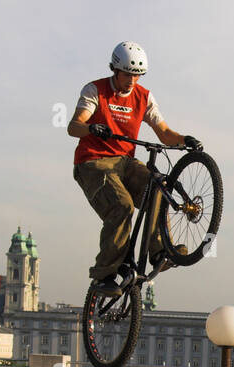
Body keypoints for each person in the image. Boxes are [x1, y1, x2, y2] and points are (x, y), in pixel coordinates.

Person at [67, 41, 201, 285]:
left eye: (137, 76)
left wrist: (184, 140)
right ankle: (105, 273)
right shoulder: (94, 90)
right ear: (115, 70)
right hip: (93, 162)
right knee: (123, 206)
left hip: (125, 161)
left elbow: (164, 133)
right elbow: (73, 127)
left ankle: (159, 250)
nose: (132, 81)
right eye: (127, 75)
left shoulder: (144, 97)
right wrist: (90, 127)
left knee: (158, 187)